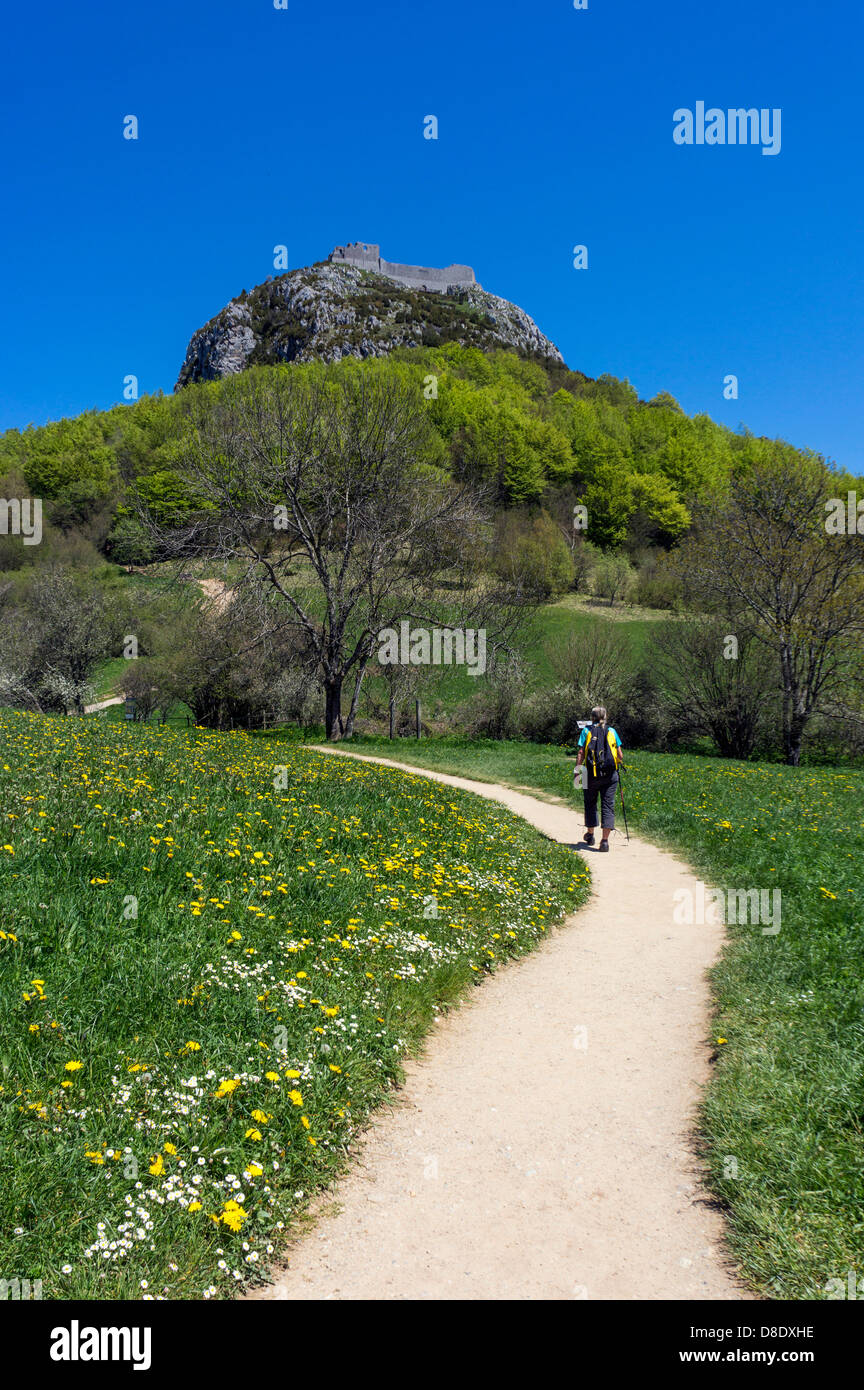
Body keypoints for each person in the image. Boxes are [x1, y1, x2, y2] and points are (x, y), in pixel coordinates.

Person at [574, 705, 623, 852]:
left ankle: (590, 835)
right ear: (605, 716)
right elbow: (620, 756)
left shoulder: (586, 731)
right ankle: (605, 842)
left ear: (592, 717)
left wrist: (578, 772)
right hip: (610, 775)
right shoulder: (612, 731)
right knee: (608, 805)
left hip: (589, 774)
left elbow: (581, 753)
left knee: (590, 803)